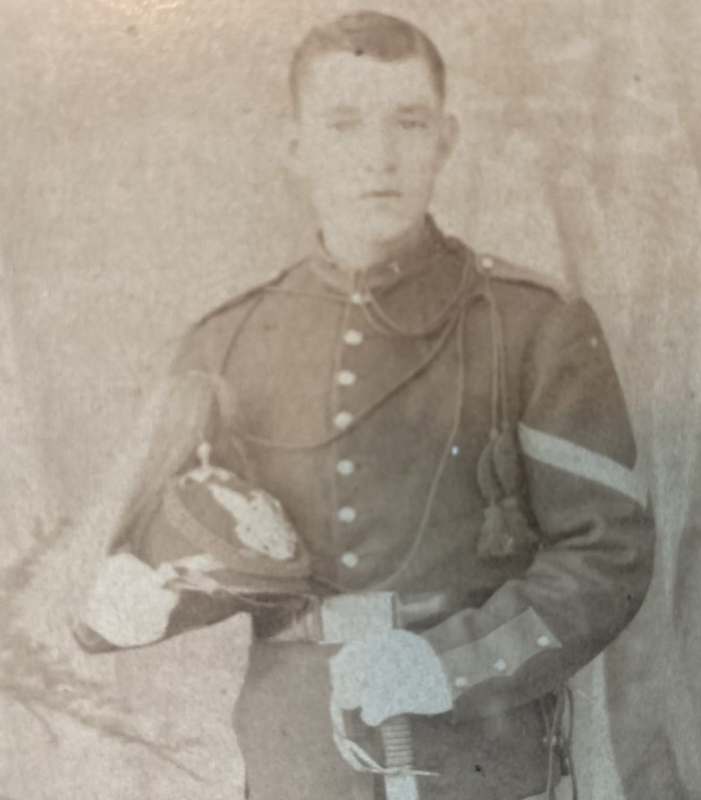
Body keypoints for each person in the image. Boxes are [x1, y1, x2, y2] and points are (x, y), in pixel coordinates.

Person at [75, 10, 655, 800]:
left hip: (473, 756)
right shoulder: (231, 341)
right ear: (295, 146)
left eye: (407, 123)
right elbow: (209, 549)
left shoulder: (531, 324)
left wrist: (445, 663)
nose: (378, 156)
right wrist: (140, 601)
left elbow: (607, 555)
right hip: (298, 760)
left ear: (444, 140)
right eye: (343, 124)